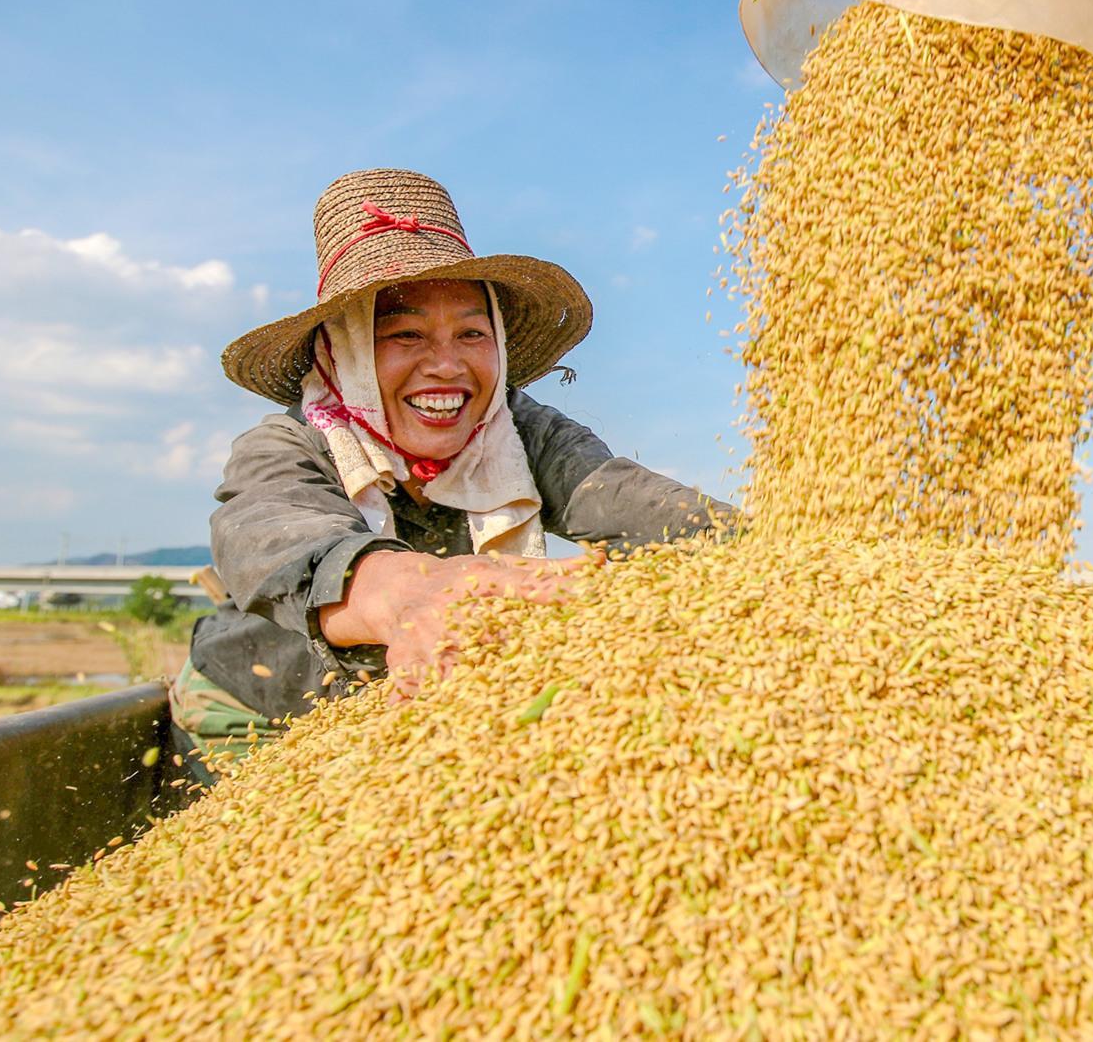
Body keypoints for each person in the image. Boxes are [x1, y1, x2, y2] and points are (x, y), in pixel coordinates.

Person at [170, 168, 733, 778]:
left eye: (471, 333)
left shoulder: (517, 432)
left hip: (407, 707)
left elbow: (634, 504)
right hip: (257, 714)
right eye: (406, 334)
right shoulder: (287, 446)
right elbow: (274, 537)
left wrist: (772, 551)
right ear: (343, 351)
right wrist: (413, 593)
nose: (446, 364)